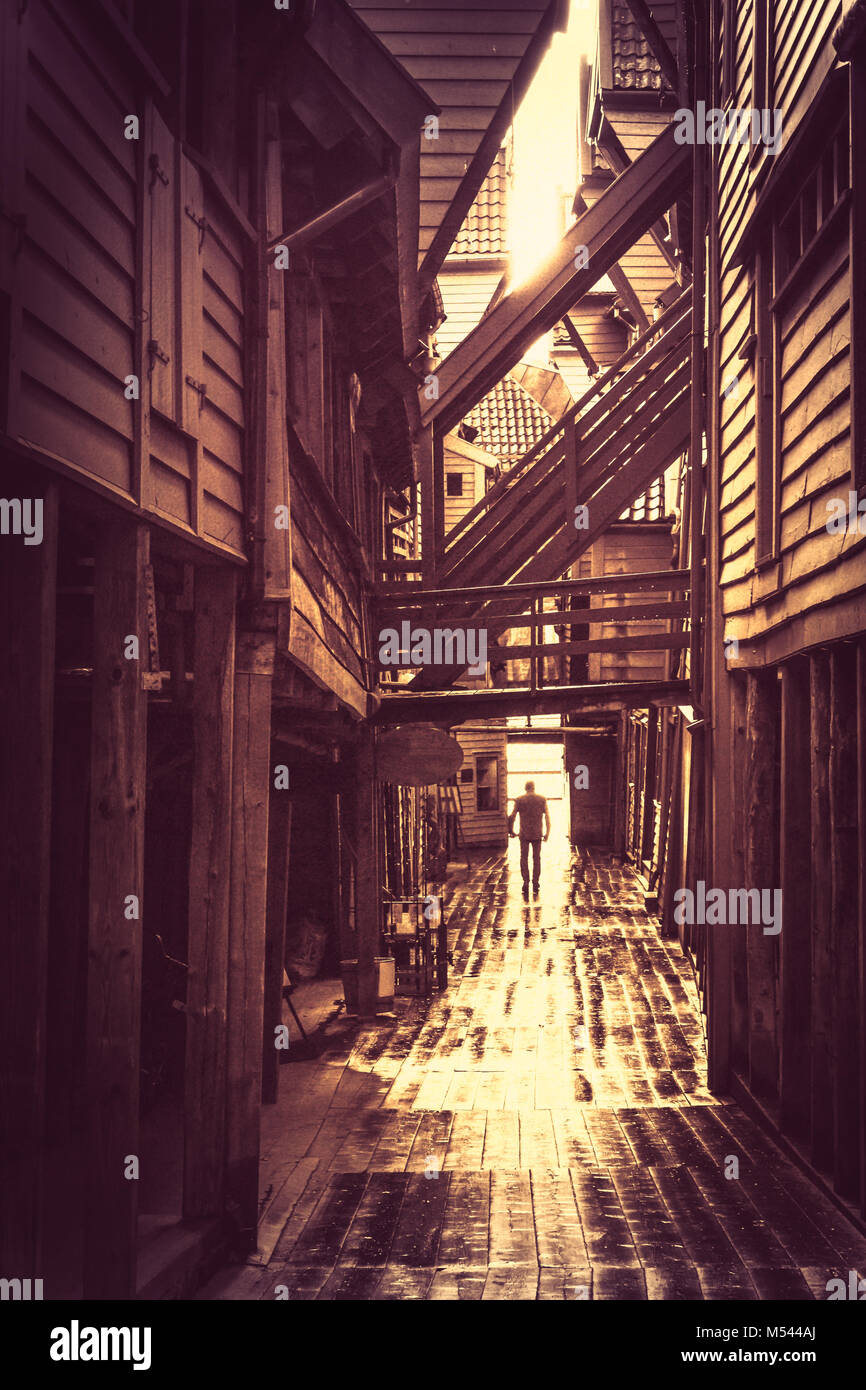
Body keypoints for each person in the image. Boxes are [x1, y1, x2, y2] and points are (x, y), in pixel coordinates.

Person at [508, 780, 551, 898]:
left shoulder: (519, 799)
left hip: (524, 834)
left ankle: (525, 882)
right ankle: (536, 883)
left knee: (524, 857)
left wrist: (510, 830)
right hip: (537, 834)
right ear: (534, 787)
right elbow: (547, 817)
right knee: (537, 858)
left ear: (525, 788)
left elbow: (512, 816)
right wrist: (547, 832)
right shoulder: (542, 799)